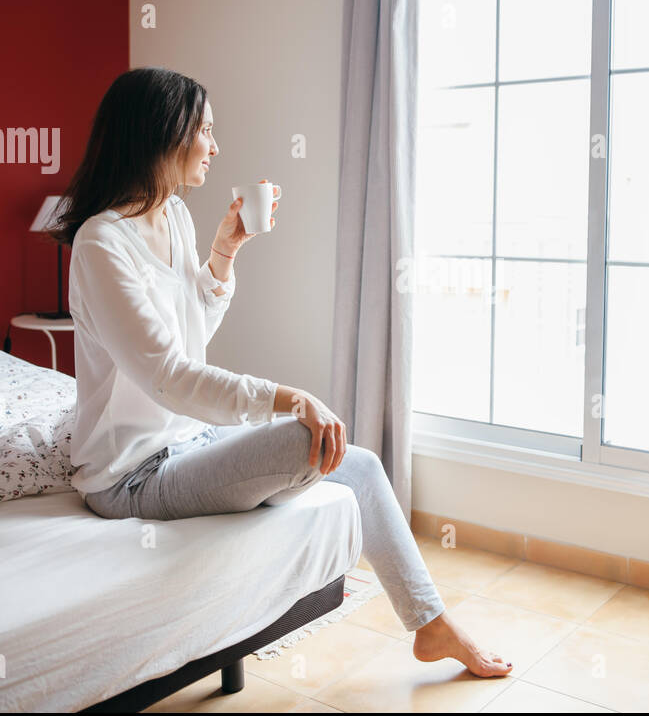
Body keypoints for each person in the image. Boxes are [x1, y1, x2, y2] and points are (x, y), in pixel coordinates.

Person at [48, 67, 510, 678]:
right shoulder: (101, 242)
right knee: (306, 437)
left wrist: (224, 252)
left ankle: (430, 626)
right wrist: (289, 398)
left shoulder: (175, 218)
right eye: (205, 132)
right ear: (164, 134)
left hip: (187, 439)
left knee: (359, 462)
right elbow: (170, 376)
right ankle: (429, 623)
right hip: (130, 475)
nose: (215, 147)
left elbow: (192, 335)